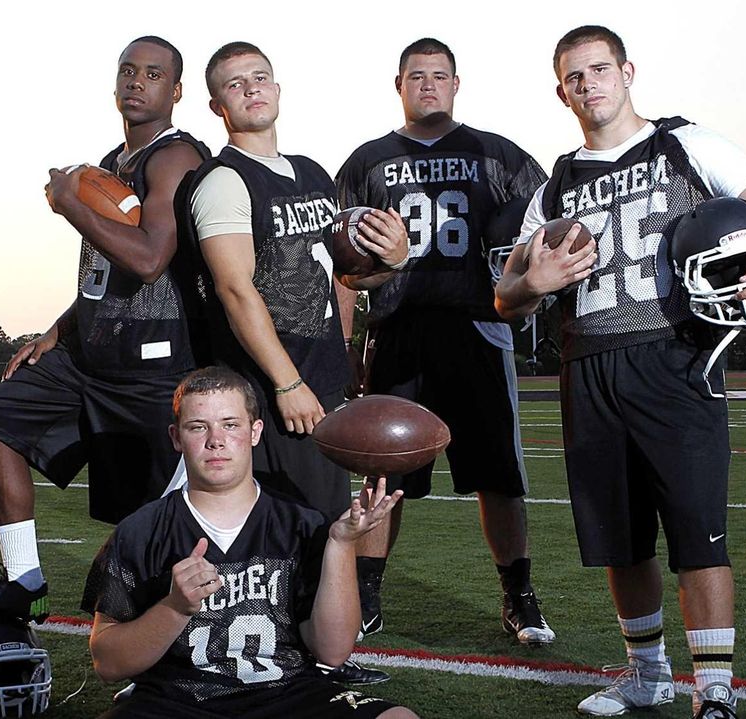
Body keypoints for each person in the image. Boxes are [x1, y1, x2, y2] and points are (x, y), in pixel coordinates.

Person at [495, 25, 746, 719]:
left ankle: (716, 690)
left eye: (600, 69)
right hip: (589, 365)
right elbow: (505, 293)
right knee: (622, 537)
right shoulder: (555, 186)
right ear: (562, 91)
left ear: (627, 71)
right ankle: (646, 674)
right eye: (575, 76)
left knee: (698, 530)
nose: (590, 84)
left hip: (677, 357)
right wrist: (534, 281)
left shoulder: (684, 143)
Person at [0, 37, 210, 624]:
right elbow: (104, 277)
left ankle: (164, 659)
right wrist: (60, 329)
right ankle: (23, 578)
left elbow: (150, 258)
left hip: (155, 369)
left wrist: (68, 202)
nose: (137, 82)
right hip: (90, 354)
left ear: (176, 91)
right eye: (128, 71)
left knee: (147, 538)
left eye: (153, 74)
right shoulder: (112, 164)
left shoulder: (177, 157)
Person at [181, 41, 406, 684]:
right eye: (234, 84)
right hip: (271, 387)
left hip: (321, 377)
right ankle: (287, 666)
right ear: (217, 103)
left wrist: (395, 260)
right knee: (285, 532)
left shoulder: (311, 173)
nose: (251, 90)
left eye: (260, 78)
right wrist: (287, 381)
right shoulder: (224, 180)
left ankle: (314, 660)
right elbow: (234, 289)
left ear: (277, 87)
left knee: (323, 525)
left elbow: (347, 276)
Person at [335, 37, 555, 646]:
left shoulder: (499, 155)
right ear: (398, 84)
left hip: (477, 326)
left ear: (457, 84)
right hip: (399, 328)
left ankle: (519, 593)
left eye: (439, 75)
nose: (428, 85)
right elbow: (343, 263)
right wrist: (344, 343)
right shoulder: (367, 162)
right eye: (416, 76)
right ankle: (365, 592)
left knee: (498, 474)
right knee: (384, 471)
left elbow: (543, 231)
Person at [81, 366, 418, 719]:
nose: (216, 440)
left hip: (285, 693)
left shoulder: (302, 524)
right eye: (198, 427)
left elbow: (332, 652)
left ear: (255, 431)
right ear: (176, 436)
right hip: (177, 699)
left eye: (230, 424)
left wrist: (341, 544)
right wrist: (175, 607)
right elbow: (107, 662)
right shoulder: (142, 531)